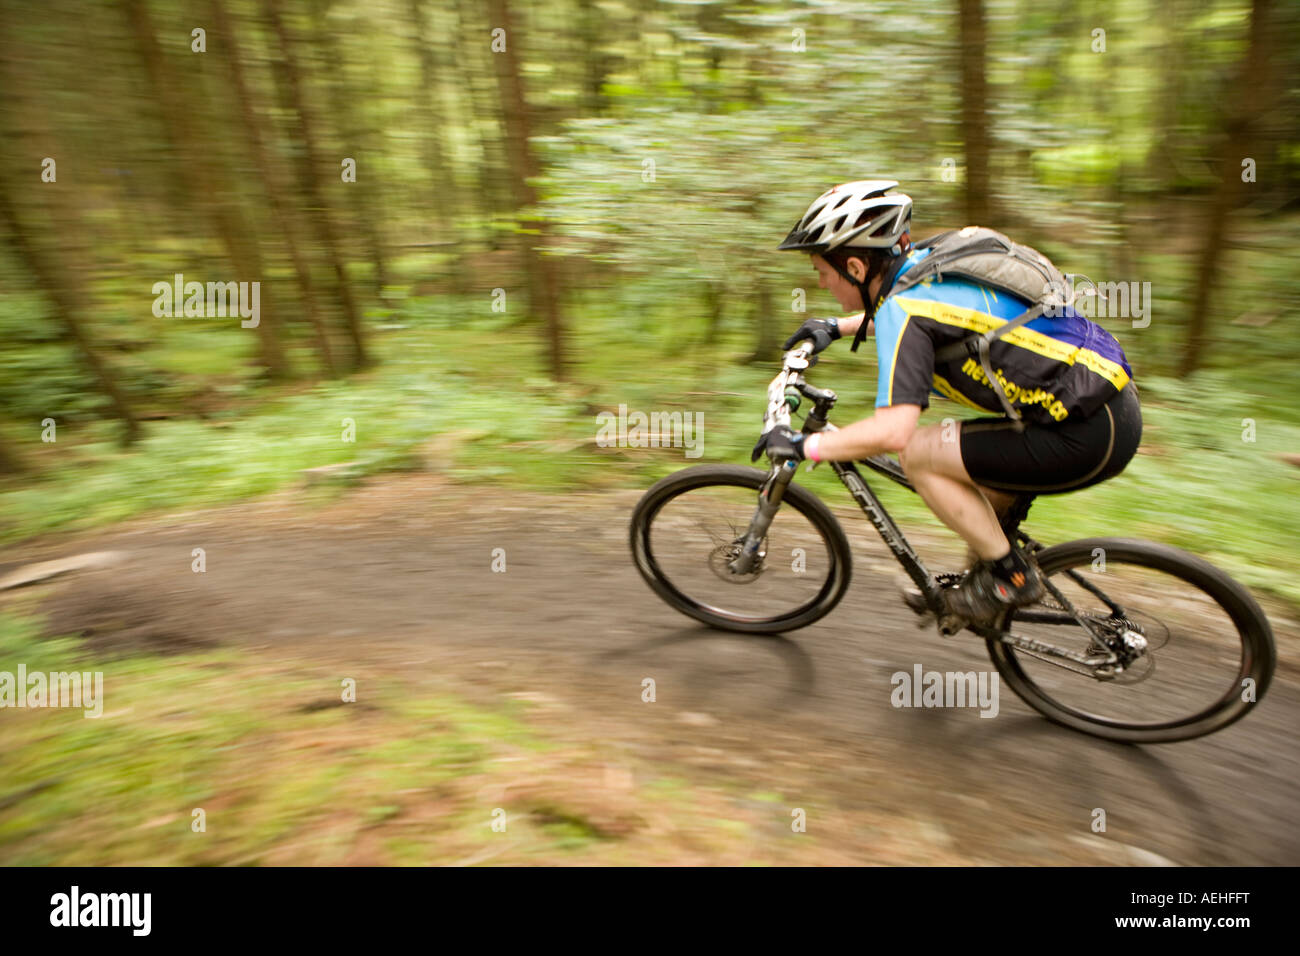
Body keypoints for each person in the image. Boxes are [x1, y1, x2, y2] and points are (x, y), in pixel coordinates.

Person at [761, 180, 1141, 626]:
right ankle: (984, 587)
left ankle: (1011, 578)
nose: (822, 282)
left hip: (1085, 433)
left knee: (919, 453)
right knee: (970, 482)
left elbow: (894, 430)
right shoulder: (928, 261)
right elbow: (944, 313)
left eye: (822, 271)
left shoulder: (902, 312)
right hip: (1104, 406)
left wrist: (805, 447)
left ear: (856, 269)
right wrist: (837, 326)